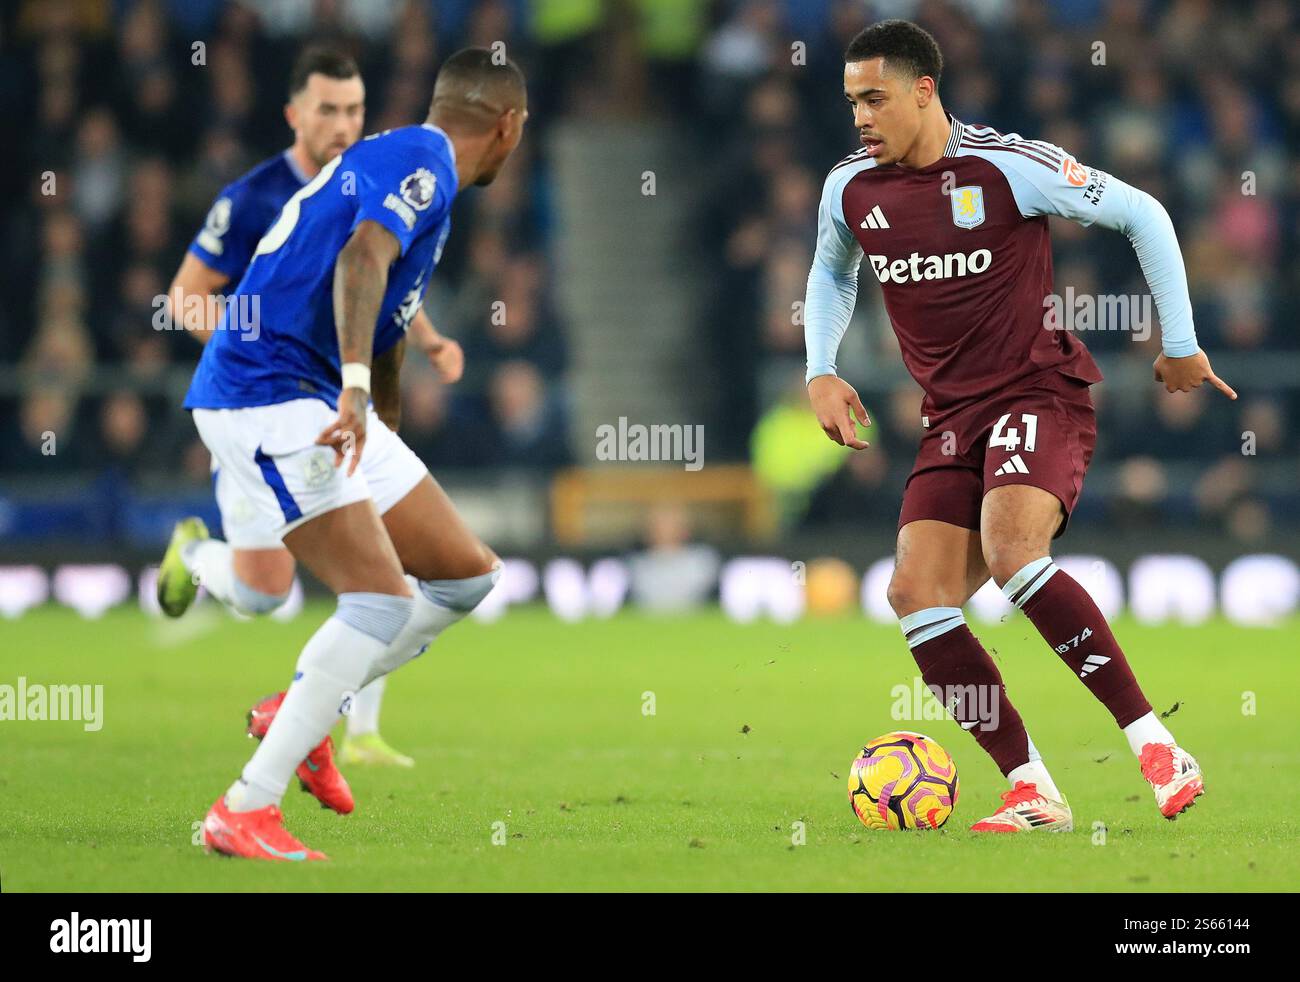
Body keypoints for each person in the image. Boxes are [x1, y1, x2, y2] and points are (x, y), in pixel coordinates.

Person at [804, 20, 1234, 833]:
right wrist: (820, 369)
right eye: (852, 101)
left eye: (875, 98)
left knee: (1010, 554)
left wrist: (1181, 345)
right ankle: (1032, 787)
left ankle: (1156, 745)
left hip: (1039, 392)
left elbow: (1145, 214)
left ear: (924, 90)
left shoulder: (1008, 167)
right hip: (952, 418)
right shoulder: (850, 187)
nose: (860, 117)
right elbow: (831, 270)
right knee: (916, 594)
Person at [178, 48, 527, 860]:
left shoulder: (417, 176)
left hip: (310, 399)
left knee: (467, 572)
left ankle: (300, 707)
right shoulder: (421, 160)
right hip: (266, 395)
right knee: (378, 601)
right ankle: (245, 807)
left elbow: (389, 323)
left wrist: (383, 431)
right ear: (507, 127)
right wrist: (359, 389)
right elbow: (360, 259)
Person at [157, 45, 464, 769]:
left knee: (380, 567)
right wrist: (262, 347)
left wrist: (427, 337)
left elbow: (380, 273)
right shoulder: (252, 197)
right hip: (264, 403)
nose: (344, 123)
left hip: (326, 404)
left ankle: (351, 729)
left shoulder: (368, 178)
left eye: (355, 109)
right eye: (328, 109)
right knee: (267, 594)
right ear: (294, 113)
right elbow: (183, 298)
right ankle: (197, 555)